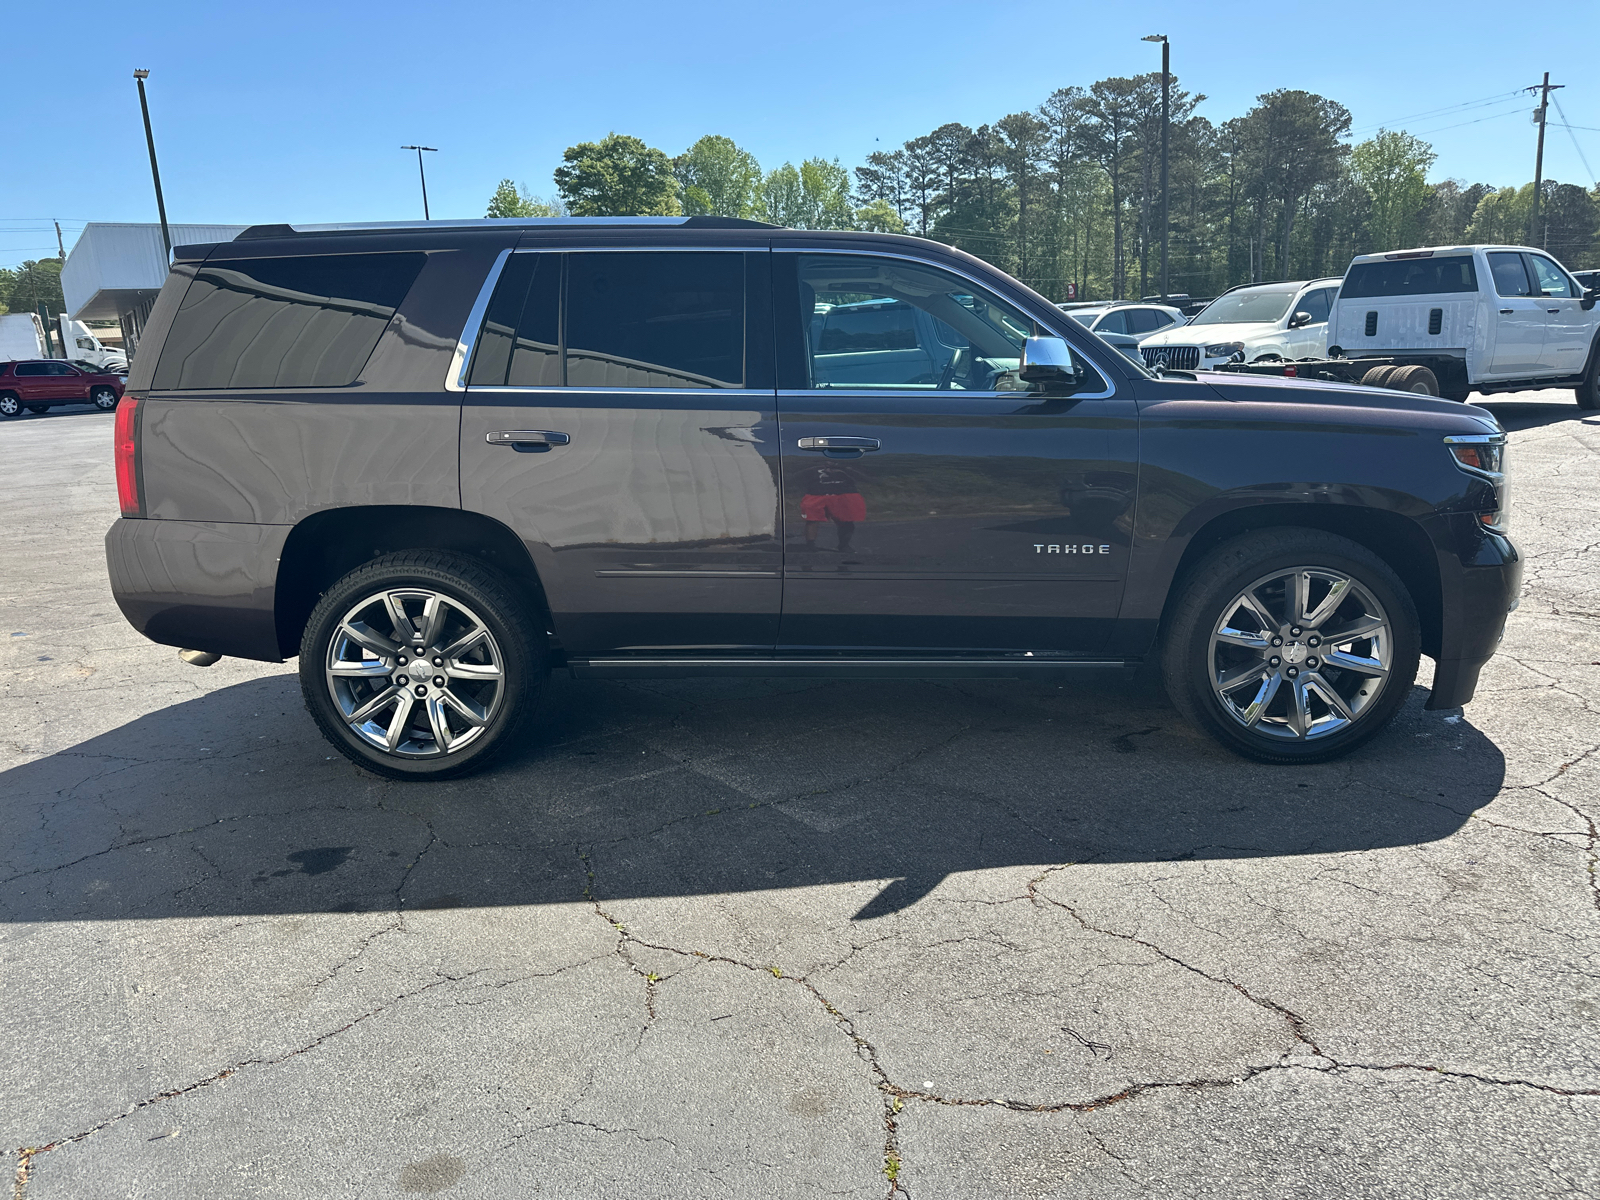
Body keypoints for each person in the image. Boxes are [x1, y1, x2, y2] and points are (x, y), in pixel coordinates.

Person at [797, 461, 866, 551]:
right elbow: (797, 477)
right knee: (812, 520)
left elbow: (864, 477)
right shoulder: (813, 467)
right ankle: (810, 546)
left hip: (844, 493)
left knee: (846, 520)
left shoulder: (846, 467)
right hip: (816, 493)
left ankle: (844, 545)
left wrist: (843, 469)